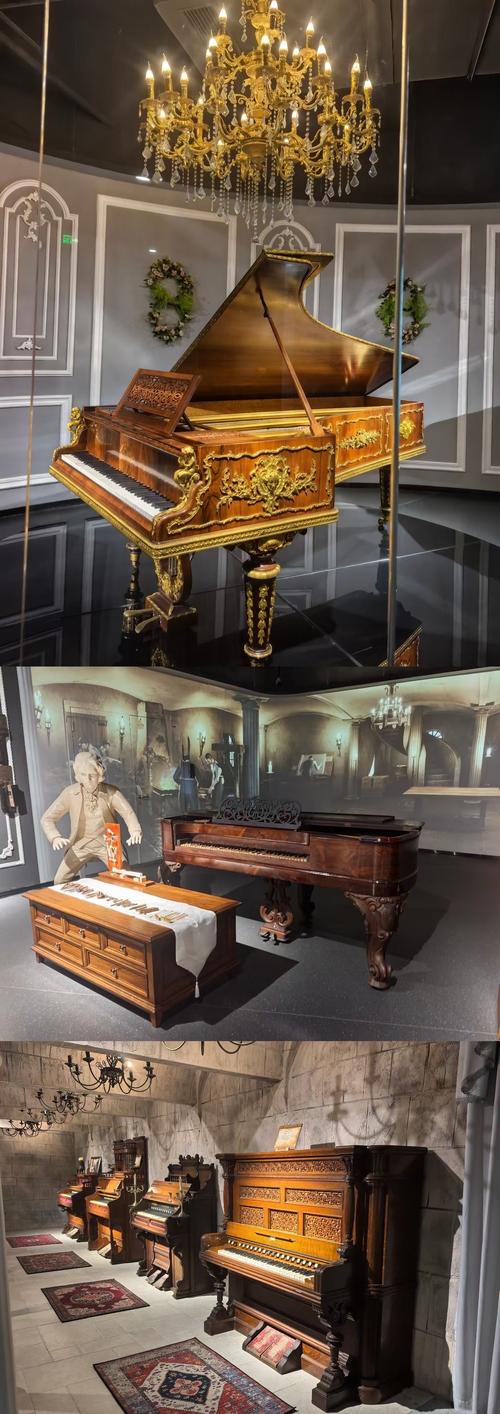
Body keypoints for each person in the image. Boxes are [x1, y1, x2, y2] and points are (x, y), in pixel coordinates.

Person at [40, 750, 142, 883]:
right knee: (59, 880)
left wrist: (135, 831)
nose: (88, 779)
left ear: (99, 775)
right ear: (77, 775)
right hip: (80, 844)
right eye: (83, 774)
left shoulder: (111, 792)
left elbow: (128, 813)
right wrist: (55, 837)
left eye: (92, 775)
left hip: (108, 843)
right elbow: (47, 818)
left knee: (125, 877)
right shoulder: (70, 793)